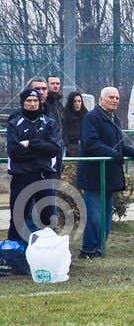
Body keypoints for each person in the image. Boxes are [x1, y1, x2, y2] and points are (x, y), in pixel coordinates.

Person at [79, 87, 134, 259]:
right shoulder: (92, 118)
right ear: (101, 99)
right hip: (94, 175)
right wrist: (113, 154)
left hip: (108, 176)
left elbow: (118, 144)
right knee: (94, 216)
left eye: (117, 97)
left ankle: (99, 249)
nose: (115, 100)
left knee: (106, 217)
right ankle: (88, 250)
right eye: (111, 97)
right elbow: (91, 143)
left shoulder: (115, 119)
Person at [6, 87, 63, 243]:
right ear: (23, 103)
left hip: (43, 175)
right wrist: (41, 149)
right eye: (29, 101)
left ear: (40, 102)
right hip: (21, 176)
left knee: (48, 217)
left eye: (35, 101)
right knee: (18, 217)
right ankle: (15, 254)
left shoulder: (49, 123)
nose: (32, 104)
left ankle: (50, 253)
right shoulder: (14, 123)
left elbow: (54, 149)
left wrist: (30, 144)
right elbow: (14, 151)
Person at [61, 90, 86, 157]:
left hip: (84, 149)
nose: (77, 103)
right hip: (69, 150)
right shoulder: (64, 117)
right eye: (75, 101)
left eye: (79, 101)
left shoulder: (86, 116)